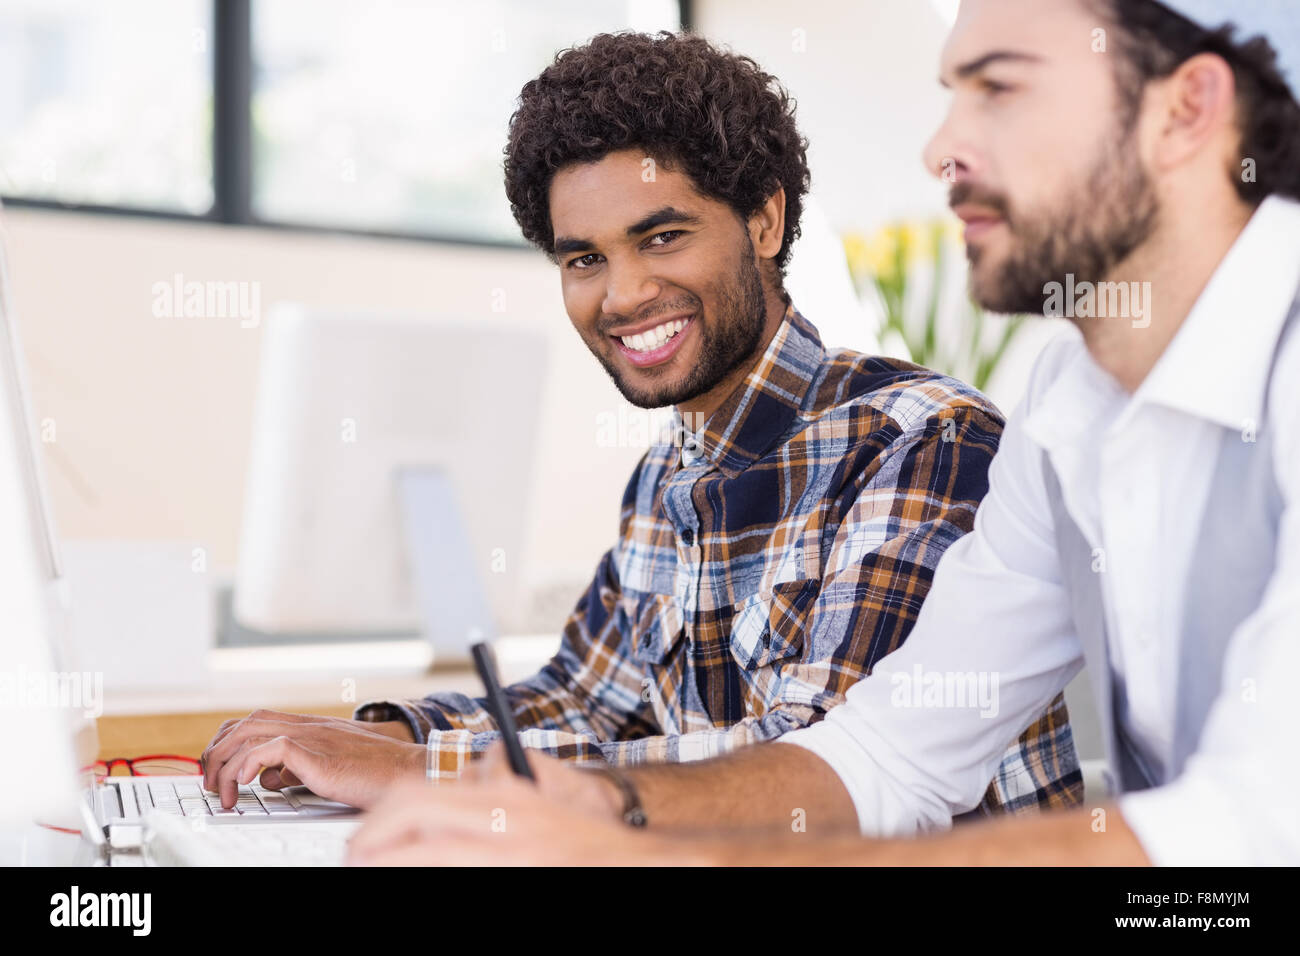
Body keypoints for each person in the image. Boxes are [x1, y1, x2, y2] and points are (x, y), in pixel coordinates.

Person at [347, 0, 1300, 866]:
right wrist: (583, 802)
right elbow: (887, 757)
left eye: (999, 87)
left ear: (1186, 111)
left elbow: (1240, 838)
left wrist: (640, 852)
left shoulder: (934, 436)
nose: (940, 150)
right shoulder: (1071, 404)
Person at [199, 31, 1080, 816]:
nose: (621, 296)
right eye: (586, 258)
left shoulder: (920, 443)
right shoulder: (667, 475)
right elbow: (584, 699)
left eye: (661, 238)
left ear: (765, 219)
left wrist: (427, 773)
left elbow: (818, 769)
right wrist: (385, 735)